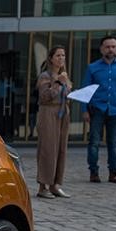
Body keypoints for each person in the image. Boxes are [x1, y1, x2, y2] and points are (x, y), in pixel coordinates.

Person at [82, 35, 116, 184]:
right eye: (107, 47)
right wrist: (84, 110)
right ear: (101, 49)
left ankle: (113, 173)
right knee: (94, 142)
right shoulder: (92, 67)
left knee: (113, 144)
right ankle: (93, 172)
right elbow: (86, 90)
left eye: (113, 47)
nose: (110, 49)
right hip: (97, 110)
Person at [34, 45, 72, 199]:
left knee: (61, 149)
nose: (61, 58)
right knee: (48, 149)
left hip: (63, 113)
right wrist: (57, 83)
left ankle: (55, 185)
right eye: (58, 55)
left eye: (63, 55)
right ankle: (43, 186)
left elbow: (66, 94)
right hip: (48, 113)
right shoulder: (45, 76)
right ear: (51, 58)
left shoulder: (64, 75)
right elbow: (44, 97)